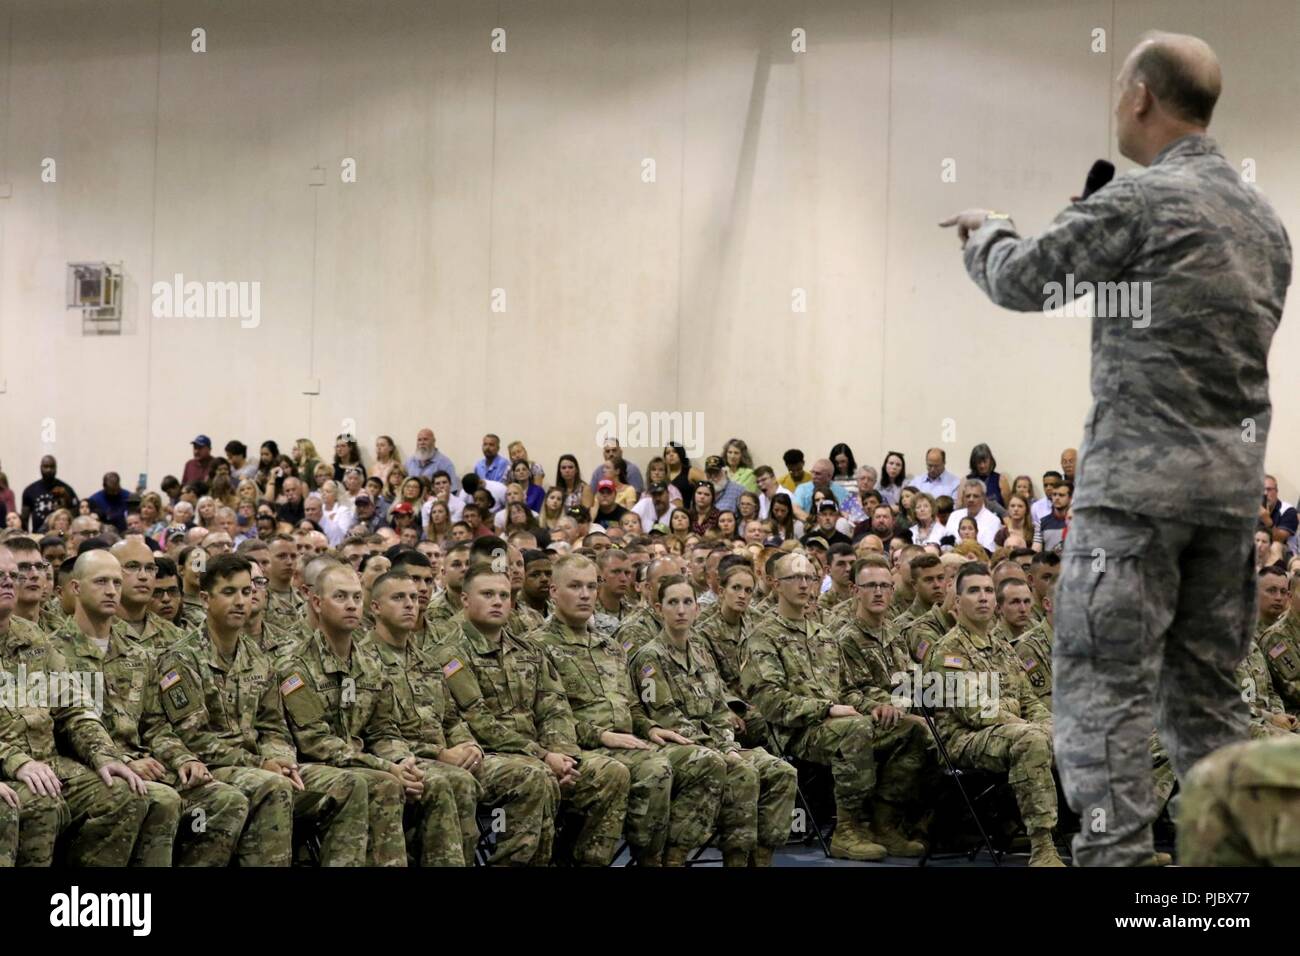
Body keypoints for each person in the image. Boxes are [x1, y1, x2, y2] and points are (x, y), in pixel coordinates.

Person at [943, 31, 1292, 866]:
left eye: (1116, 90)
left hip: (1133, 503)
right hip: (1227, 503)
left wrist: (985, 231)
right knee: (1208, 706)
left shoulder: (1138, 202)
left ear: (1140, 97)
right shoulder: (1264, 222)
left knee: (1104, 700)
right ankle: (1224, 886)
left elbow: (1024, 278)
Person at [51, 550, 250, 866]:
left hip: (146, 766)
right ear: (75, 588)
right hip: (89, 769)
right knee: (160, 799)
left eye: (116, 583)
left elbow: (156, 725)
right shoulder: (53, 652)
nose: (111, 590)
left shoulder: (139, 655)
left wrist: (184, 758)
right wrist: (123, 761)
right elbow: (59, 733)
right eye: (101, 582)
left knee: (226, 800)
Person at [428, 564, 631, 865]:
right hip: (488, 755)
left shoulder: (528, 650)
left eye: (503, 595)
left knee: (611, 772)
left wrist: (564, 755)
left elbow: (554, 708)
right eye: (487, 594)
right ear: (465, 600)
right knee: (534, 777)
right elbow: (477, 720)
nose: (497, 601)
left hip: (540, 754)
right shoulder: (450, 654)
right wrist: (542, 755)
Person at [534, 555, 723, 866]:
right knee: (653, 769)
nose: (585, 594)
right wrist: (601, 735)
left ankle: (670, 857)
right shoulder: (537, 646)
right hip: (578, 749)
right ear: (554, 591)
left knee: (706, 761)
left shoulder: (609, 646)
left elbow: (630, 703)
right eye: (575, 586)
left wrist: (648, 727)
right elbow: (547, 717)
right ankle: (631, 858)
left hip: (627, 743)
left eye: (591, 586)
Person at [741, 552, 930, 861]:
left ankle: (885, 824)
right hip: (794, 731)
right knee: (853, 729)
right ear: (776, 584)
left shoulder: (823, 636)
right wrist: (826, 709)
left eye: (810, 578)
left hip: (838, 723)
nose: (804, 585)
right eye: (795, 578)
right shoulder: (763, 637)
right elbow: (770, 702)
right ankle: (848, 829)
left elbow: (847, 690)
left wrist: (875, 707)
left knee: (912, 729)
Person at [0, 543, 150, 866]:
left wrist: (104, 755)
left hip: (48, 765)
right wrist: (15, 761)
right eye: (0, 576)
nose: (9, 582)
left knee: (122, 791)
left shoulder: (32, 638)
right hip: (9, 769)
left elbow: (73, 706)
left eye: (13, 575)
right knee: (39, 802)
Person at [630, 574, 796, 866]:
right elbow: (667, 717)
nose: (681, 609)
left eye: (687, 602)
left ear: (697, 608)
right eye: (673, 603)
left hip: (717, 745)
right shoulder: (649, 658)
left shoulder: (701, 652)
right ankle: (677, 857)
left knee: (782, 771)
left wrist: (728, 745)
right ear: (659, 609)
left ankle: (757, 857)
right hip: (676, 745)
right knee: (739, 771)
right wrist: (722, 749)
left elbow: (719, 708)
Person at [924, 563, 1063, 866]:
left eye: (988, 590)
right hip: (964, 740)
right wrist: (1031, 725)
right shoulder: (948, 651)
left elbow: (1030, 700)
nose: (984, 597)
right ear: (957, 602)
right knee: (1031, 739)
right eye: (974, 591)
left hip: (1010, 731)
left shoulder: (1003, 647)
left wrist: (1049, 723)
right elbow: (975, 712)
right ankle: (1043, 847)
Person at [21, 456, 79, 533]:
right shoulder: (30, 490)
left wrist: (64, 507)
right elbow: (25, 518)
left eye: (52, 467)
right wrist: (26, 535)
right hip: (38, 534)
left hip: (61, 534)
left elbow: (76, 514)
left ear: (56, 468)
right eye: (46, 466)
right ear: (40, 468)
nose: (49, 470)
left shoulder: (66, 489)